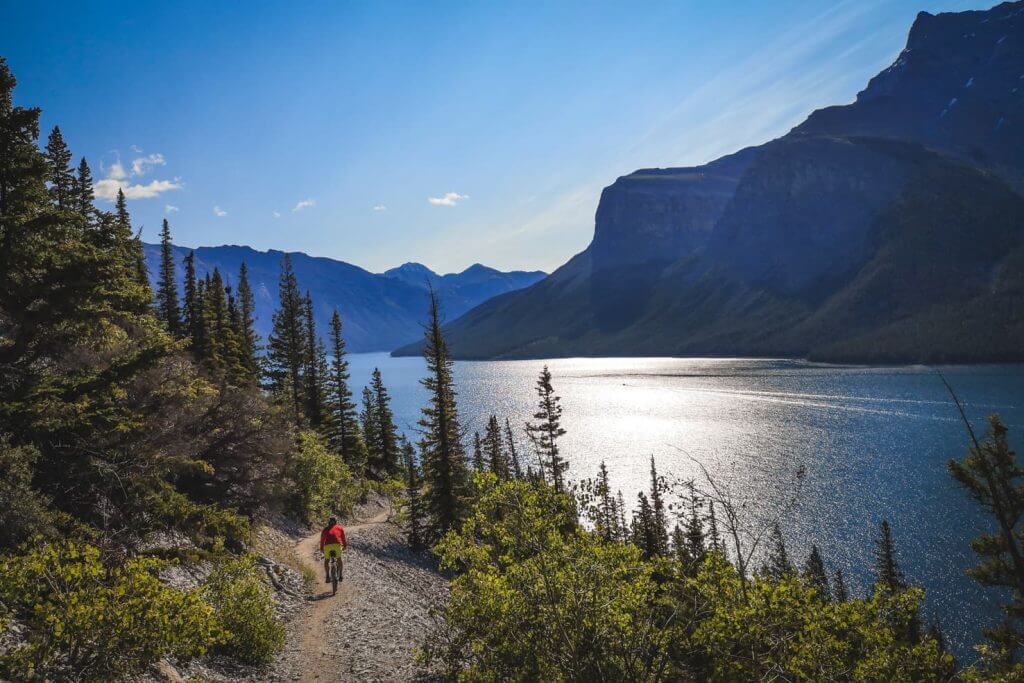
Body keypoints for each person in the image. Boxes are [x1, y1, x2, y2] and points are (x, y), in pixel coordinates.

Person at [319, 516, 347, 584]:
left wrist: (321, 548)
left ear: (329, 522)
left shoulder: (325, 529)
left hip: (327, 546)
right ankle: (340, 575)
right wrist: (345, 546)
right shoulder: (339, 528)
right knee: (339, 559)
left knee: (326, 561)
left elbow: (322, 540)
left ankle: (327, 576)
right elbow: (343, 538)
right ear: (336, 522)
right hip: (337, 545)